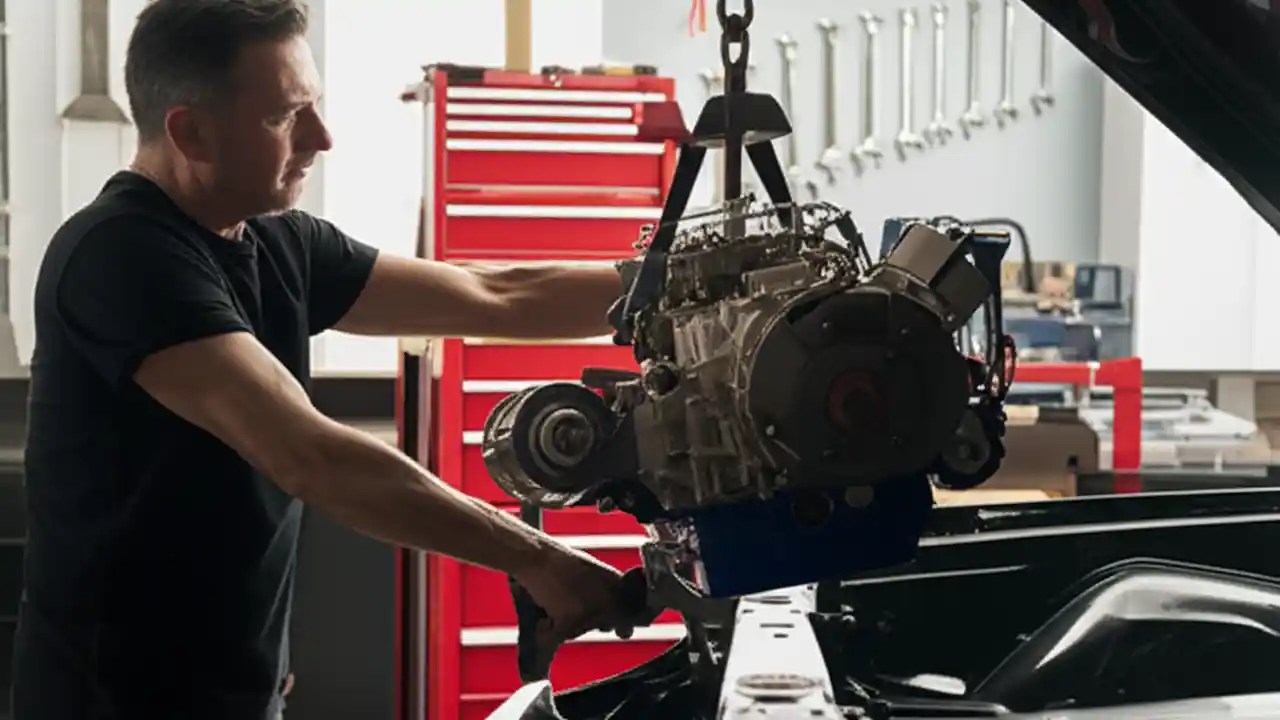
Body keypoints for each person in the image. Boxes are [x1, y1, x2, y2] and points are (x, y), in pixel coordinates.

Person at [12, 1, 639, 717]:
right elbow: (309, 454)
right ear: (191, 132)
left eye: (315, 106)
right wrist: (535, 557)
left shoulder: (279, 242)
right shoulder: (119, 256)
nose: (323, 138)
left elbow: (496, 294)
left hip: (239, 695)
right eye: (287, 116)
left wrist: (683, 283)